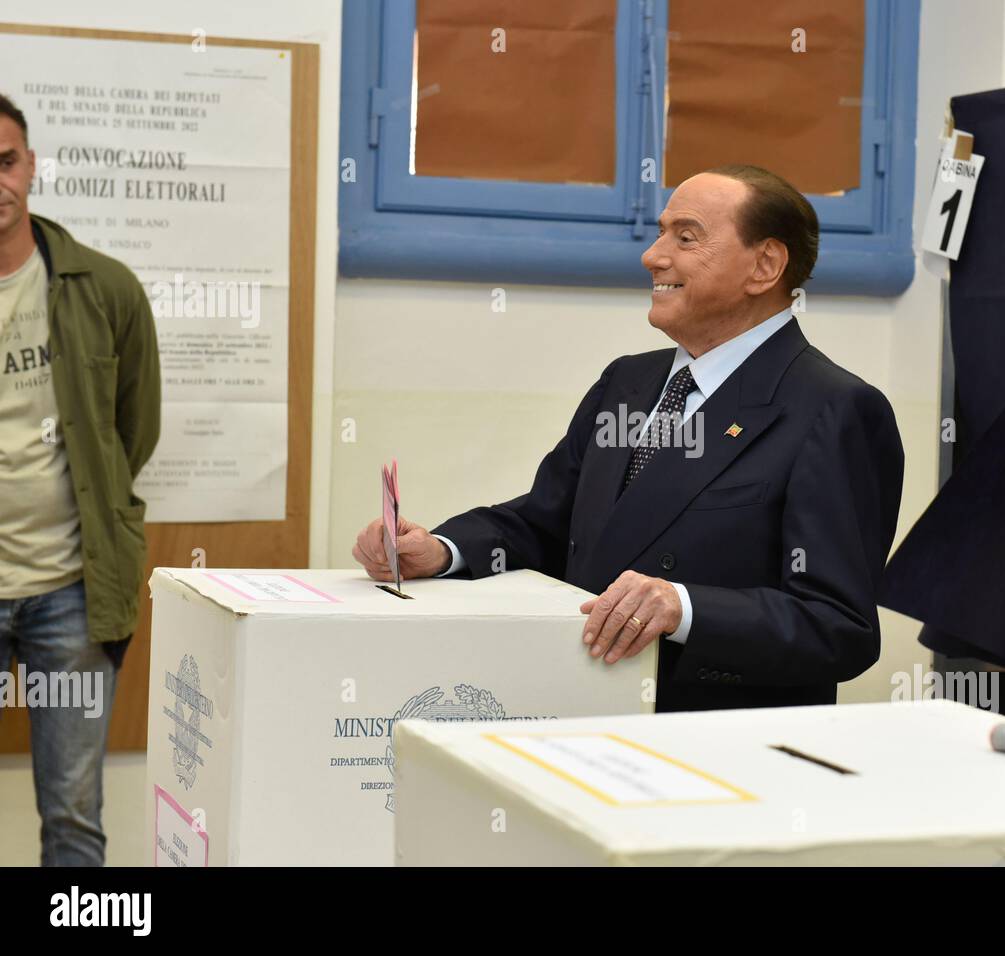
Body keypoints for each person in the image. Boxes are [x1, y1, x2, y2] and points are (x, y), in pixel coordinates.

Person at [355, 164, 904, 713]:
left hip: (713, 748)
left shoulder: (835, 410)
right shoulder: (628, 381)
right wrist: (440, 552)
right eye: (660, 232)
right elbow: (545, 522)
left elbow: (839, 627)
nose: (653, 256)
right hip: (577, 709)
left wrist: (683, 608)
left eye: (685, 237)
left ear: (764, 265)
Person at [0, 93, 161, 864]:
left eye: (5, 162)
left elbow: (132, 432)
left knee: (72, 816)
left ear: (30, 166)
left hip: (70, 594)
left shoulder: (104, 289)